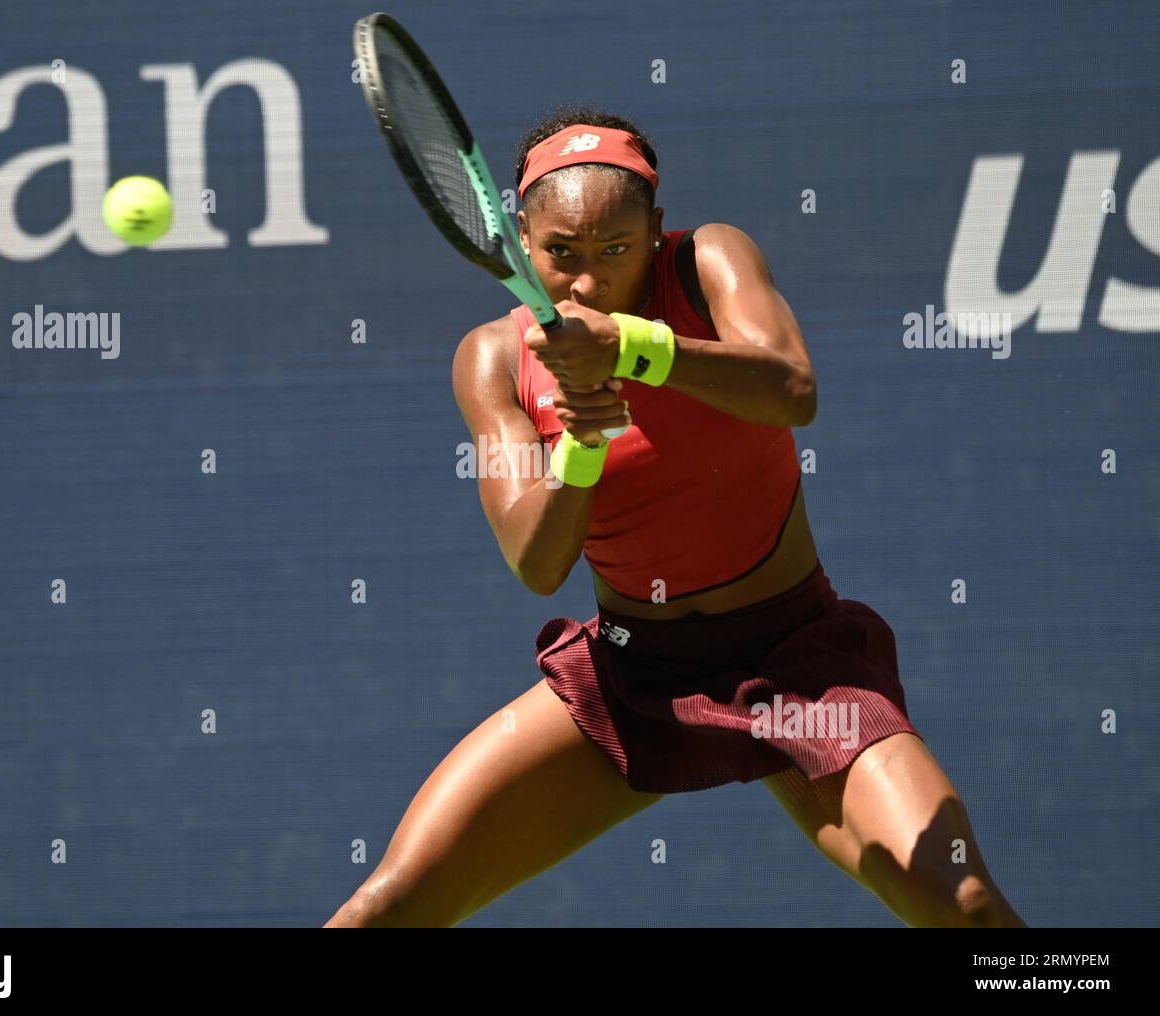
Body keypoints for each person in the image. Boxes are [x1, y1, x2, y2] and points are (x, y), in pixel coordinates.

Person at [324, 104, 1025, 928]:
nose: (586, 280)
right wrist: (582, 442)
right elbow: (536, 560)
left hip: (796, 668)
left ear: (657, 232)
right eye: (558, 254)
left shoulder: (708, 260)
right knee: (386, 909)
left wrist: (633, 348)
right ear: (519, 236)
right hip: (631, 679)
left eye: (616, 250)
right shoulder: (492, 358)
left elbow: (792, 388)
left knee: (967, 905)